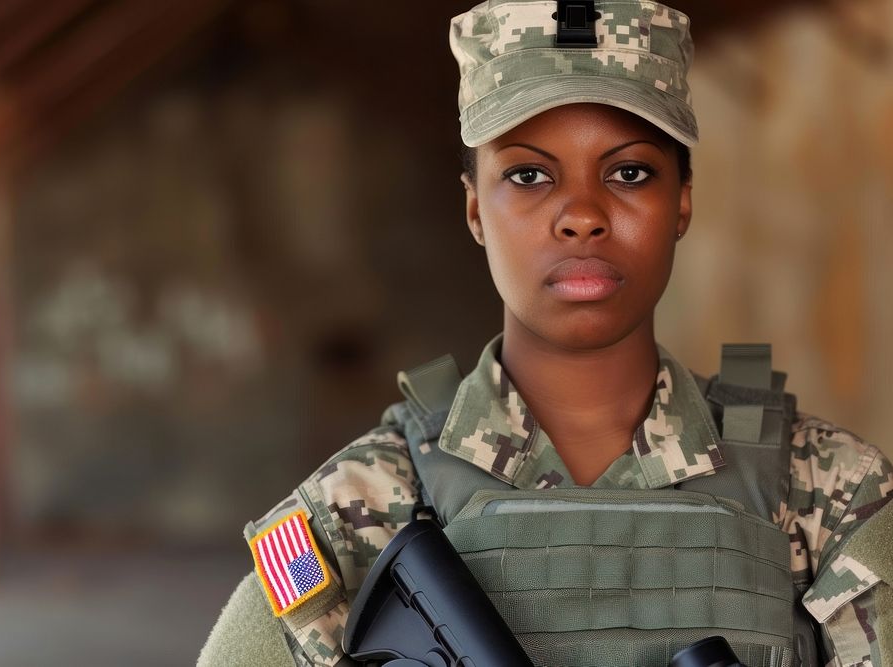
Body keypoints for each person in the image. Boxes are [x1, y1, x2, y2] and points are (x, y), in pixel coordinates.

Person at [198, 1, 893, 665]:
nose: (581, 214)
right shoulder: (364, 508)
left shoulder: (830, 493)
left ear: (681, 202)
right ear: (475, 208)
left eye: (629, 172)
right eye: (529, 174)